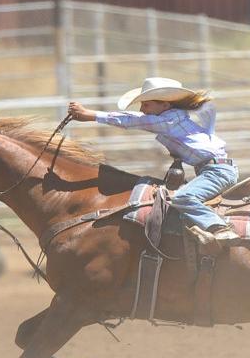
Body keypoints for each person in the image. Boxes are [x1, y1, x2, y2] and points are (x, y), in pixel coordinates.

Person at [68, 77, 240, 242]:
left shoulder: (168, 121)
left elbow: (132, 120)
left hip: (216, 172)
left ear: (165, 104)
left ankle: (219, 228)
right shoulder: (174, 120)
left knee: (182, 198)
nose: (142, 109)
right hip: (215, 169)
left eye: (146, 104)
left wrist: (89, 114)